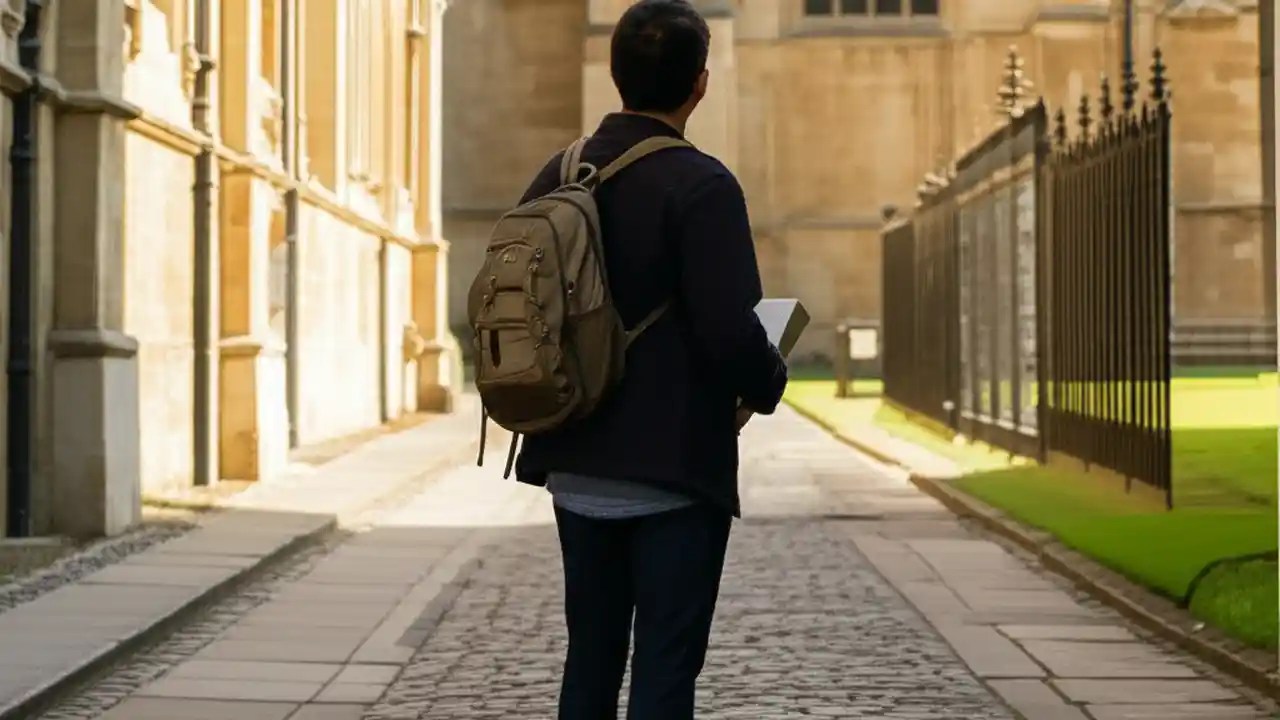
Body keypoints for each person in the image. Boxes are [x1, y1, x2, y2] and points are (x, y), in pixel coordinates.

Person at [512, 1, 788, 718]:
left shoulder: (560, 170)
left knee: (591, 660)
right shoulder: (703, 186)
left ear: (615, 73)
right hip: (672, 472)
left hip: (573, 460)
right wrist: (771, 377)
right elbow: (733, 335)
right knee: (665, 671)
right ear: (701, 84)